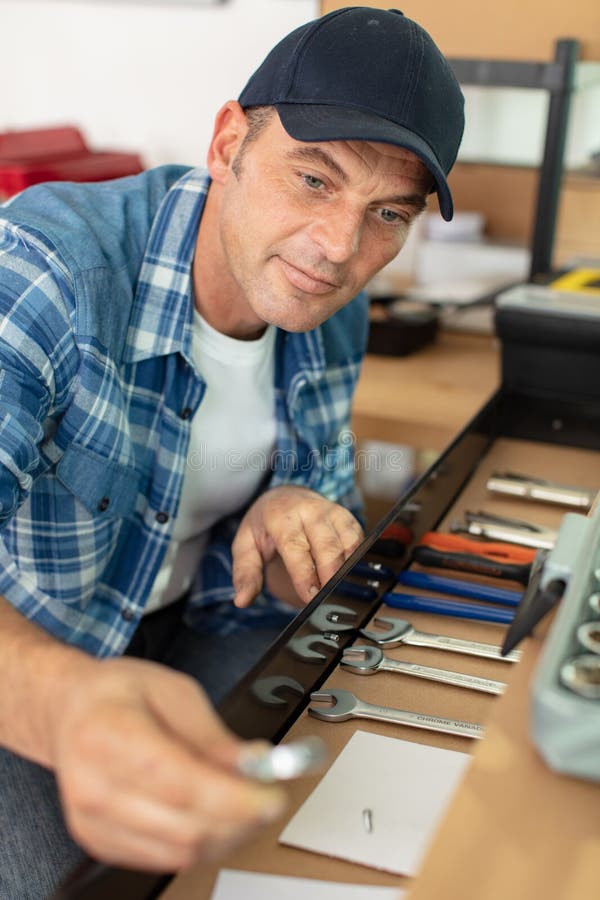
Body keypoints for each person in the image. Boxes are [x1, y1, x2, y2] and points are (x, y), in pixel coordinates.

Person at [0, 6, 464, 898]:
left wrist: (295, 519)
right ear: (226, 144)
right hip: (32, 652)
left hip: (194, 624)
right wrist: (64, 708)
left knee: (309, 810)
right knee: (84, 882)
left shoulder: (328, 311)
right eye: (315, 180)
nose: (339, 248)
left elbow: (301, 572)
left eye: (386, 214)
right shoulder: (45, 271)